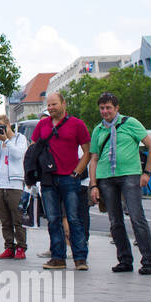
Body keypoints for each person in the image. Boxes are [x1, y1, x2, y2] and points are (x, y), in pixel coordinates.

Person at [88, 93, 151, 275]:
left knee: (136, 217)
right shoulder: (98, 130)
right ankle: (125, 259)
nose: (105, 111)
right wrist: (93, 185)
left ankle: (149, 260)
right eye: (102, 108)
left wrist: (147, 173)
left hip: (129, 175)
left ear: (116, 108)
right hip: (106, 177)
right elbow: (94, 159)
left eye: (109, 107)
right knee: (115, 221)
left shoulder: (130, 123)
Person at [31, 92, 92, 271]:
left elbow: (87, 151)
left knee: (74, 218)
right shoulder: (42, 124)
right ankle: (58, 257)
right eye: (48, 105)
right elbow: (33, 148)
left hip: (69, 178)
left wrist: (77, 171)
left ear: (63, 104)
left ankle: (80, 258)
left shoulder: (77, 124)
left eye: (54, 105)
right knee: (53, 219)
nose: (50, 108)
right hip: (48, 179)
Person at [0, 114, 29, 259]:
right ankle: (9, 246)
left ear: (8, 124)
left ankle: (21, 247)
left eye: (1, 126)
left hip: (15, 184)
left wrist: (6, 140)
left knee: (18, 218)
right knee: (5, 219)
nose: (0, 129)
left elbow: (18, 155)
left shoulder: (20, 138)